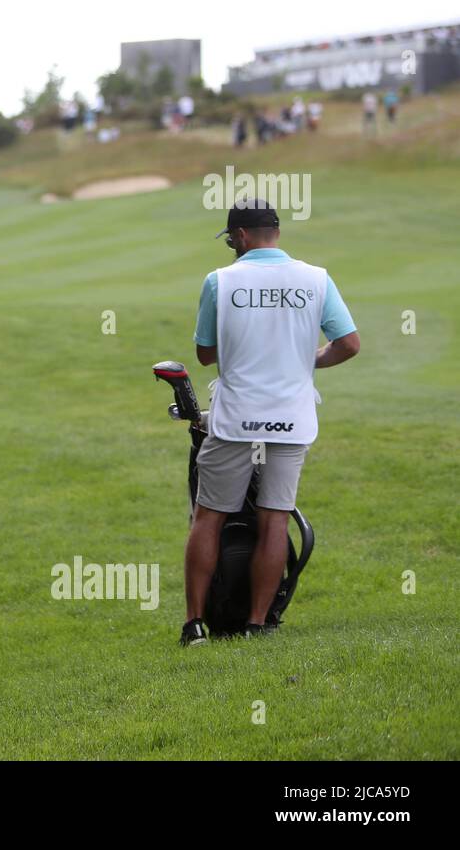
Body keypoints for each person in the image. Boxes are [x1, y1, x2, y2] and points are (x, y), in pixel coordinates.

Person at [181, 198, 360, 647]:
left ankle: (195, 625)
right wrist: (305, 360)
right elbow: (349, 344)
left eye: (231, 241)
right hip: (291, 418)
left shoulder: (220, 281)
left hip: (236, 417)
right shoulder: (315, 278)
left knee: (209, 517)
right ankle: (258, 624)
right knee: (275, 519)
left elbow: (205, 354)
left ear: (241, 236)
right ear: (274, 233)